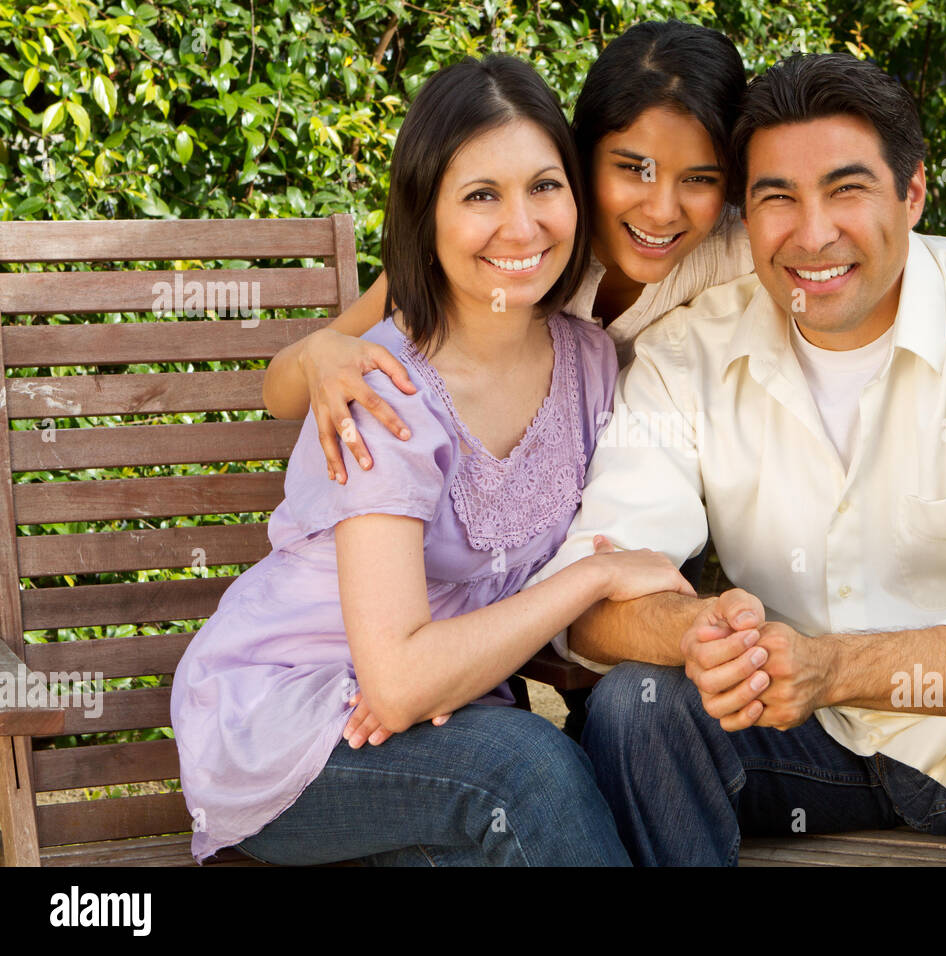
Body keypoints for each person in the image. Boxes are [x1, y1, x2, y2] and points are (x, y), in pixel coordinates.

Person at [531, 53, 946, 866]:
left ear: (914, 194)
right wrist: (699, 633)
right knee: (638, 704)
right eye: (777, 198)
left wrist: (834, 667)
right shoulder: (690, 350)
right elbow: (593, 585)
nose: (812, 232)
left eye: (846, 190)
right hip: (793, 737)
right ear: (742, 218)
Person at [169, 54, 692, 867]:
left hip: (450, 720)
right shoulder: (380, 390)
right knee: (529, 773)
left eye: (544, 187)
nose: (522, 227)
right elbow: (401, 682)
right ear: (427, 213)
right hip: (294, 727)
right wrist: (589, 579)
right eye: (481, 195)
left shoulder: (590, 361)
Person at [261, 20, 946, 490]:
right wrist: (331, 352)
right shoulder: (520, 246)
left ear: (729, 189)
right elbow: (282, 387)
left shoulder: (728, 249)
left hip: (621, 503)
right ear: (579, 159)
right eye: (631, 170)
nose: (661, 210)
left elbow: (850, 242)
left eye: (700, 179)